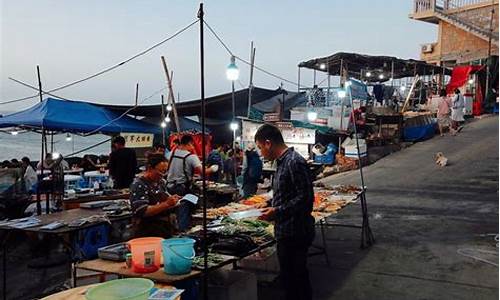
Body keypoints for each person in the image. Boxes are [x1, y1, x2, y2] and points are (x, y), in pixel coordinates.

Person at [255, 124, 314, 300]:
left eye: (260, 148)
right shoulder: (282, 162)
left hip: (295, 232)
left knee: (297, 281)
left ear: (268, 143)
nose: (260, 153)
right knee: (289, 280)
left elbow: (305, 199)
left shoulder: (294, 161)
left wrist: (276, 211)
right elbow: (288, 193)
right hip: (285, 231)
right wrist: (270, 203)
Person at [166, 134, 217, 231]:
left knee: (179, 207)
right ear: (189, 143)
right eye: (192, 145)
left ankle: (177, 227)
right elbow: (203, 171)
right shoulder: (191, 157)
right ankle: (183, 231)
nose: (193, 147)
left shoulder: (171, 154)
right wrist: (213, 169)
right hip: (181, 188)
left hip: (169, 186)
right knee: (184, 208)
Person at [129, 154, 181, 237]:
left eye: (165, 171)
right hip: (148, 232)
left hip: (164, 229)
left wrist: (173, 200)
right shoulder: (139, 184)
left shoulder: (161, 182)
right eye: (160, 171)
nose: (162, 174)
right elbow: (142, 211)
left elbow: (165, 197)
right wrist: (166, 204)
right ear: (150, 168)